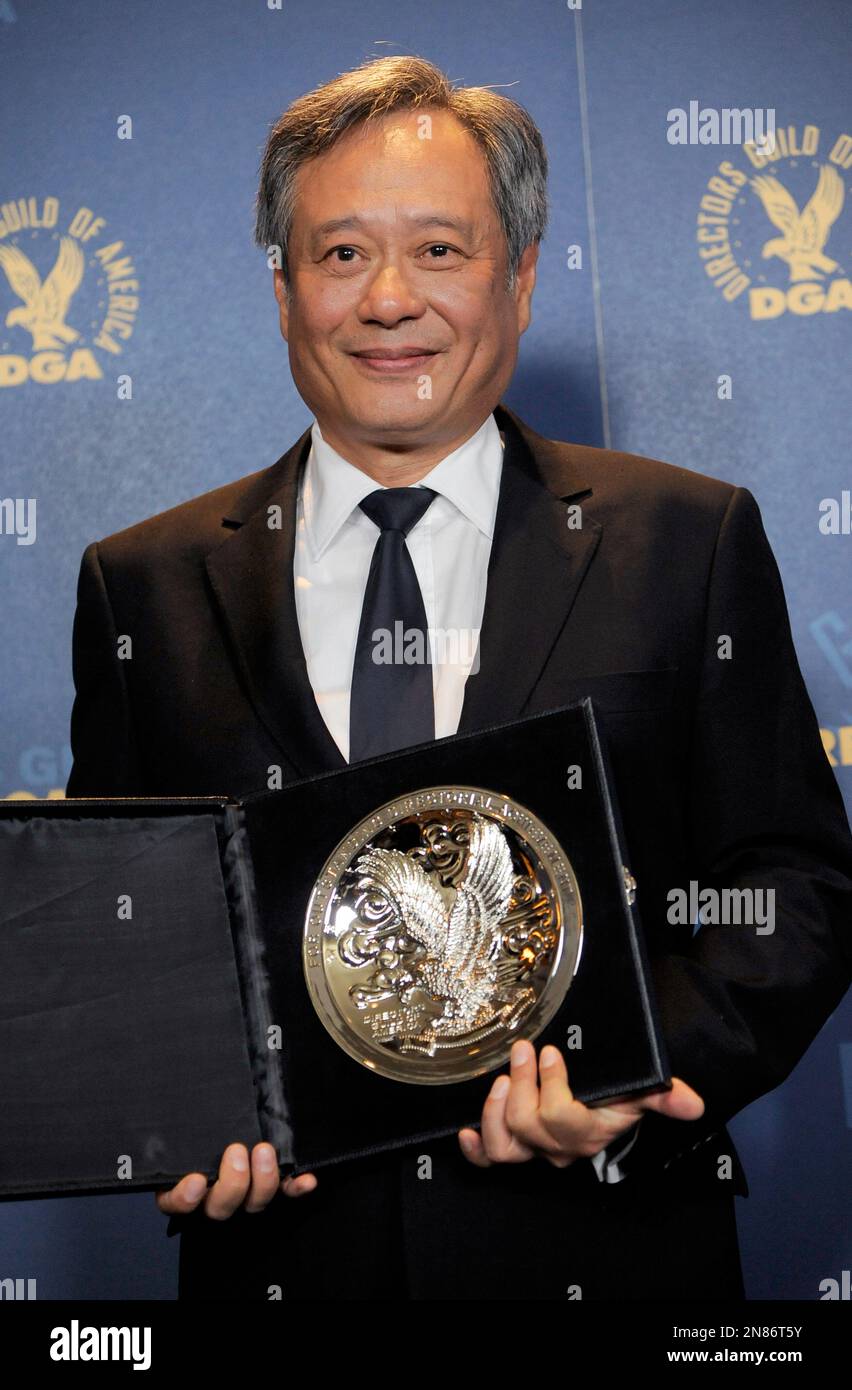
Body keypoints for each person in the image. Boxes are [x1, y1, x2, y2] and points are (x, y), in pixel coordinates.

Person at [66, 55, 852, 1300]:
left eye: (440, 249)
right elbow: (118, 933)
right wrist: (166, 1111)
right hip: (287, 1270)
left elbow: (796, 882)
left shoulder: (686, 541)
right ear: (281, 292)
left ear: (523, 278)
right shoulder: (142, 585)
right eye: (337, 255)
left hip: (608, 1260)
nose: (389, 301)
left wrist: (640, 1069)